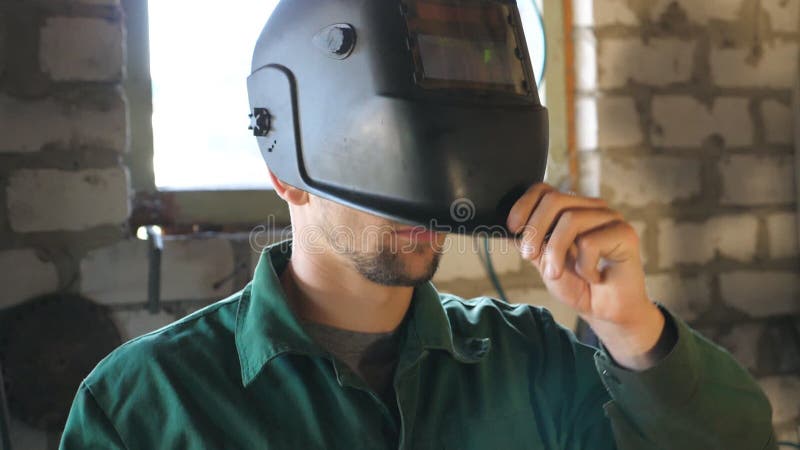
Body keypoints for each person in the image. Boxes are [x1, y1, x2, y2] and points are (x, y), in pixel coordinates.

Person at [60, 169, 776, 449]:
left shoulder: (530, 359)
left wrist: (632, 329)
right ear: (286, 170)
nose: (422, 189)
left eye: (441, 156)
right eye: (379, 155)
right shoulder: (142, 406)